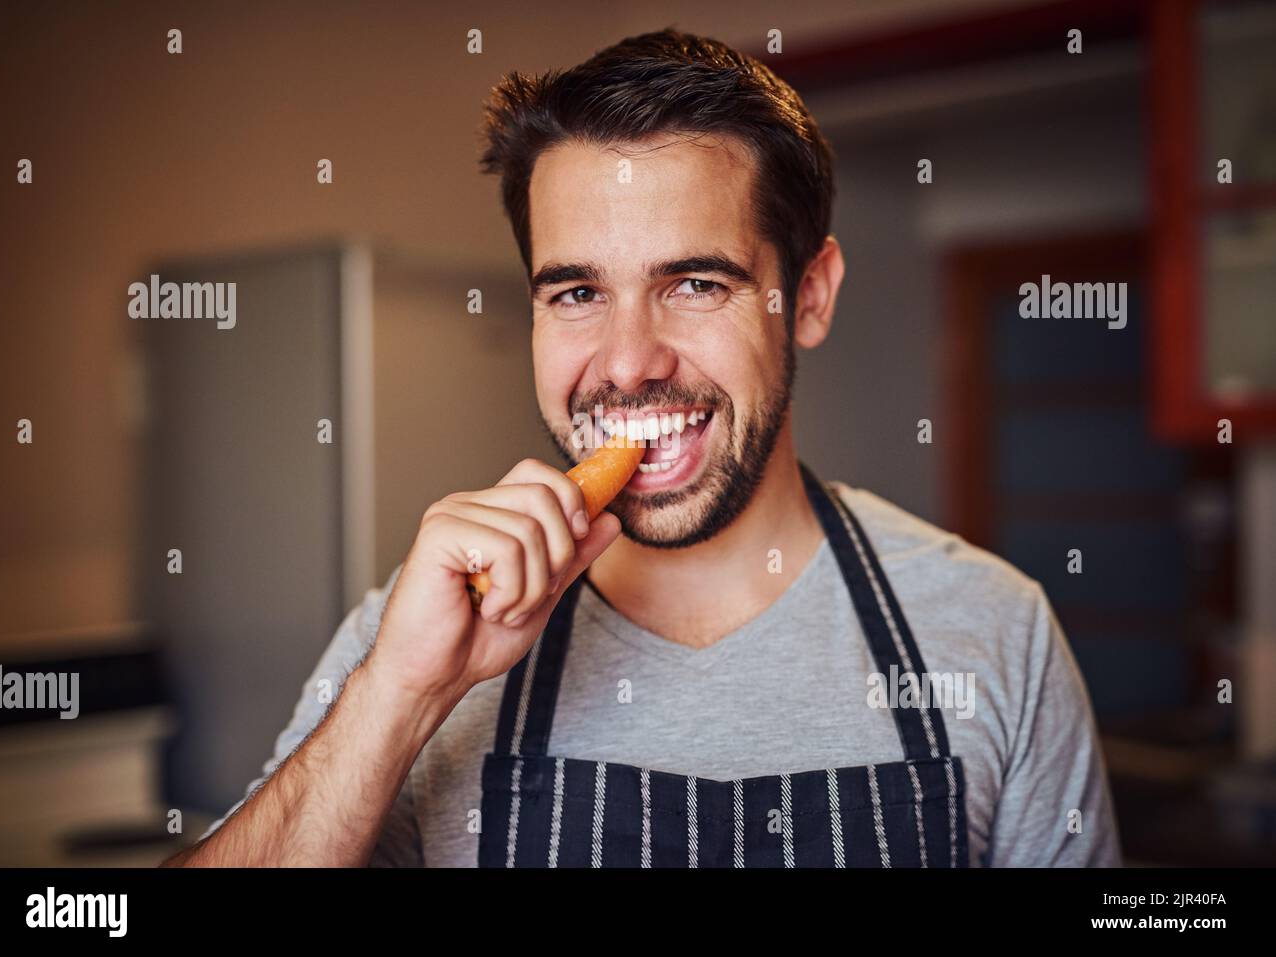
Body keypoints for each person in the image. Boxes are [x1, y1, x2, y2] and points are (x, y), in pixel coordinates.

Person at [164, 28, 1120, 868]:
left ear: (812, 296)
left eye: (696, 283)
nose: (627, 363)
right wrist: (403, 696)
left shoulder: (991, 632)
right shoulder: (418, 634)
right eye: (577, 293)